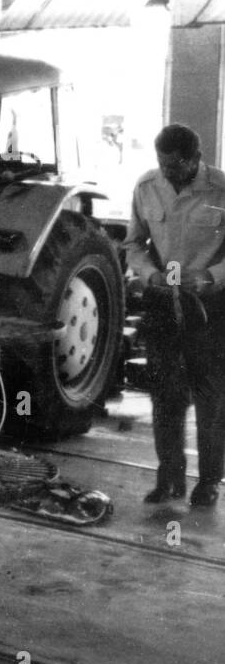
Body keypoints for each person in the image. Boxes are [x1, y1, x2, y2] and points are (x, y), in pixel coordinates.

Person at [123, 123, 225, 507]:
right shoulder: (147, 186)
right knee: (165, 394)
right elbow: (133, 243)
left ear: (196, 159)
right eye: (163, 165)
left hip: (212, 308)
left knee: (210, 395)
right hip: (164, 303)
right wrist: (149, 275)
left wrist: (212, 276)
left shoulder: (221, 188)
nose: (169, 173)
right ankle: (169, 477)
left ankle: (210, 480)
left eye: (177, 166)